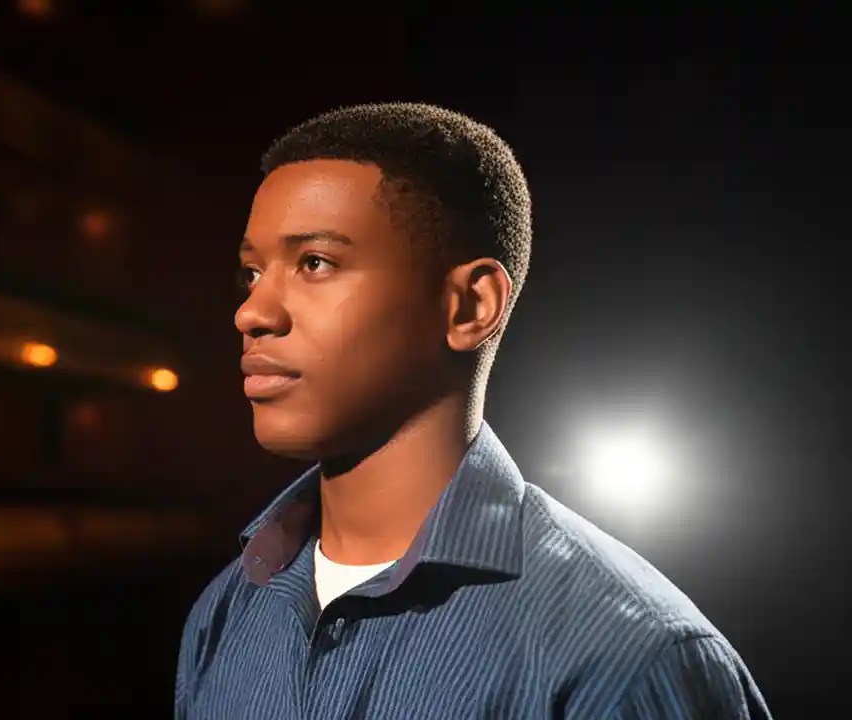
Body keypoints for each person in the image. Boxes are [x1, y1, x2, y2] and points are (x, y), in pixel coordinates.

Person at [174, 103, 771, 719]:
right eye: (252, 272)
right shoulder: (227, 612)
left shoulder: (630, 657)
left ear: (470, 305)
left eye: (315, 263)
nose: (252, 313)